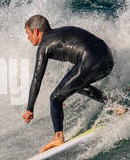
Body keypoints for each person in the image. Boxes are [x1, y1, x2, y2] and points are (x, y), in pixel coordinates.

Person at [21, 15, 116, 153]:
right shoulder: (61, 32)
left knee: (55, 98)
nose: (28, 38)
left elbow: (37, 78)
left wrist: (29, 108)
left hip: (89, 59)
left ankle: (58, 136)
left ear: (36, 31)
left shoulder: (44, 45)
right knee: (76, 85)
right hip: (106, 57)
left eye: (28, 33)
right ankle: (115, 105)